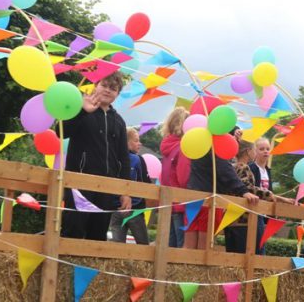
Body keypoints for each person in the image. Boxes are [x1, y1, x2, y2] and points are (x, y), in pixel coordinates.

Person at [60, 72, 130, 240]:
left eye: (113, 88)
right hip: (79, 182)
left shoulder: (119, 121)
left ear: (117, 94)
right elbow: (60, 132)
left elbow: (123, 158)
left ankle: (91, 267)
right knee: (73, 230)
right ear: (95, 86)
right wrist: (82, 112)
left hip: (106, 186)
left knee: (98, 234)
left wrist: (125, 192)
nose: (107, 90)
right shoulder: (81, 109)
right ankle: (66, 266)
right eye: (104, 85)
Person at [187, 142, 259, 250]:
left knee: (189, 245)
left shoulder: (199, 143)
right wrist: (243, 191)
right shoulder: (216, 145)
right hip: (209, 198)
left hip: (192, 195)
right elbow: (225, 170)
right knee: (204, 246)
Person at [224, 140, 276, 253]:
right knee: (250, 252)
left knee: (233, 253)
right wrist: (268, 194)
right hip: (243, 218)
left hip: (230, 217)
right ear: (248, 151)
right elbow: (246, 188)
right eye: (254, 150)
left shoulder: (231, 167)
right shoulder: (244, 167)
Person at [109, 127, 152, 244]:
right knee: (143, 246)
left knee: (116, 247)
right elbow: (146, 184)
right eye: (136, 140)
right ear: (127, 143)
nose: (140, 143)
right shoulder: (138, 160)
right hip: (135, 209)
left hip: (116, 209)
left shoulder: (112, 159)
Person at [158, 107, 191, 248]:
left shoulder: (167, 145)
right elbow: (183, 178)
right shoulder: (183, 147)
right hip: (180, 202)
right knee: (181, 245)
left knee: (168, 245)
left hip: (167, 202)